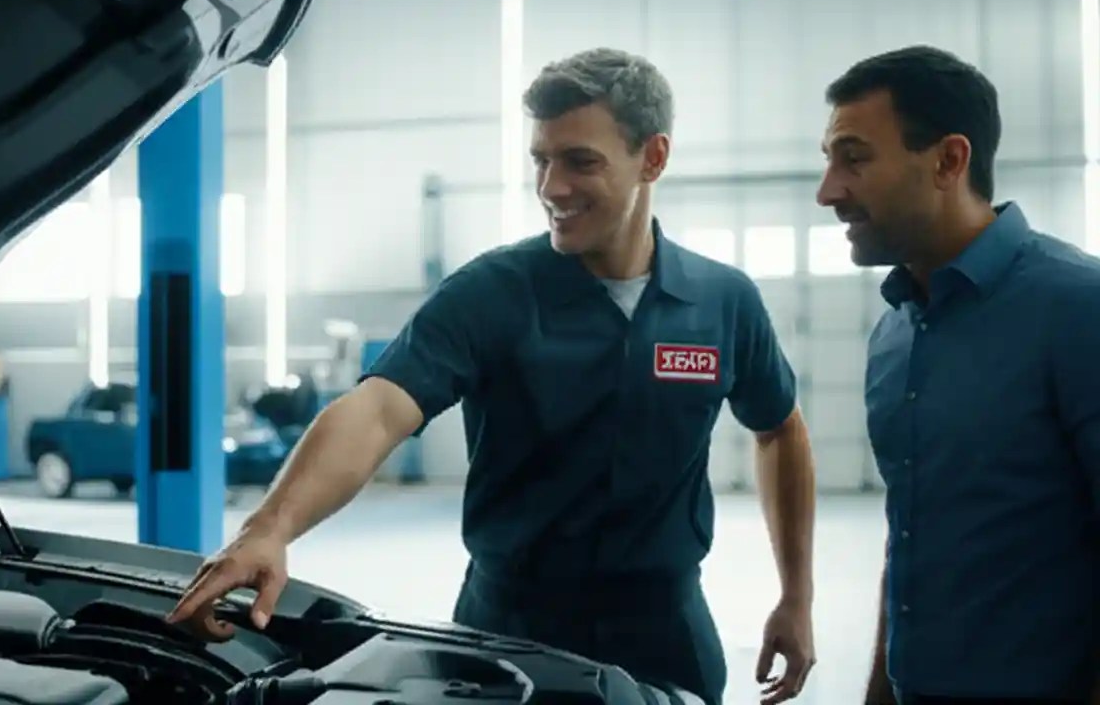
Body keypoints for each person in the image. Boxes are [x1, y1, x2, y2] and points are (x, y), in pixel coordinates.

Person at [168, 47, 818, 705]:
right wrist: (270, 529)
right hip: (510, 632)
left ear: (652, 157)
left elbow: (779, 430)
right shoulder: (492, 294)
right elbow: (377, 411)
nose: (551, 187)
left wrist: (796, 596)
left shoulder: (722, 302)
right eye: (541, 160)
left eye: (579, 161)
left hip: (667, 634)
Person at [815, 44, 1100, 705]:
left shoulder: (1079, 309)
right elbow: (909, 531)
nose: (829, 190)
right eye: (828, 161)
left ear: (949, 159)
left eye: (854, 159)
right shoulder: (894, 331)